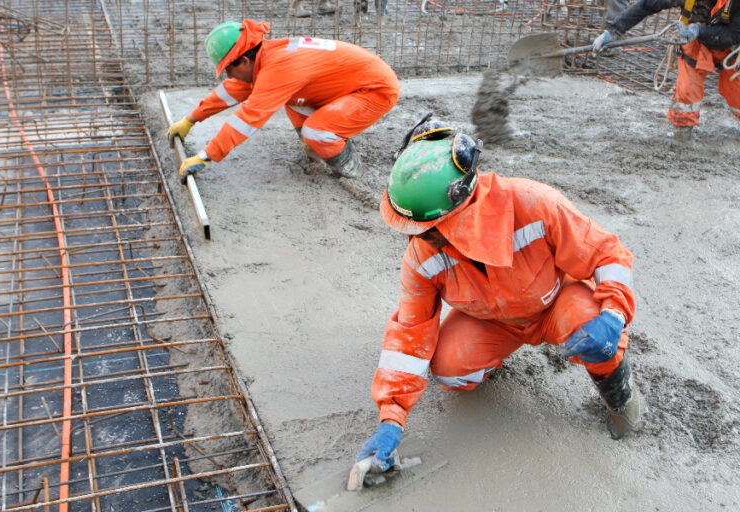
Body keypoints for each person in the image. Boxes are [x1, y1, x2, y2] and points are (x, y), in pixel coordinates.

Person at [354, 118, 644, 476]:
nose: (417, 239)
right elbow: (409, 337)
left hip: (557, 303)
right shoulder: (422, 258)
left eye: (426, 231)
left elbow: (607, 255)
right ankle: (495, 364)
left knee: (594, 329)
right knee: (449, 367)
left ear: (458, 213)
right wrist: (391, 418)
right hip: (495, 322)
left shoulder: (534, 204)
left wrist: (614, 315)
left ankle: (622, 400)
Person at [167, 19, 400, 180]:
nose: (229, 76)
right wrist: (189, 120)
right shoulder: (265, 56)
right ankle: (321, 147)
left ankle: (349, 167)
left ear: (244, 61)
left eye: (228, 70)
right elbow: (231, 91)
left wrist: (205, 156)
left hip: (375, 90)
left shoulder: (278, 69)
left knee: (316, 132)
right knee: (294, 103)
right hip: (352, 84)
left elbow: (248, 119)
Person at [592, 0, 740, 141]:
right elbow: (647, 5)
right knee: (687, 89)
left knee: (736, 94)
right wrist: (614, 31)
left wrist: (700, 30)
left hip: (734, 47)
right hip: (697, 42)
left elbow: (734, 34)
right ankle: (682, 134)